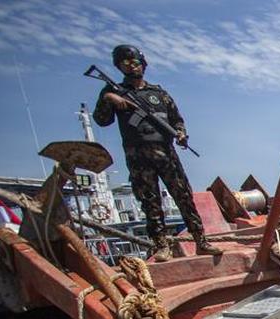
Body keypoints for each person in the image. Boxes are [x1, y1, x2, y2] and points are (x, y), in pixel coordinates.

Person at [93, 44, 221, 261]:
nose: (132, 67)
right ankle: (161, 246)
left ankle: (201, 240)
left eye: (135, 62)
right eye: (126, 64)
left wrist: (181, 133)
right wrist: (109, 100)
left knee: (183, 197)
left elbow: (177, 119)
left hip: (166, 152)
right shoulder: (112, 92)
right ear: (119, 67)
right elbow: (102, 120)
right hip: (138, 156)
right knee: (150, 201)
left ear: (142, 64)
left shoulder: (159, 94)